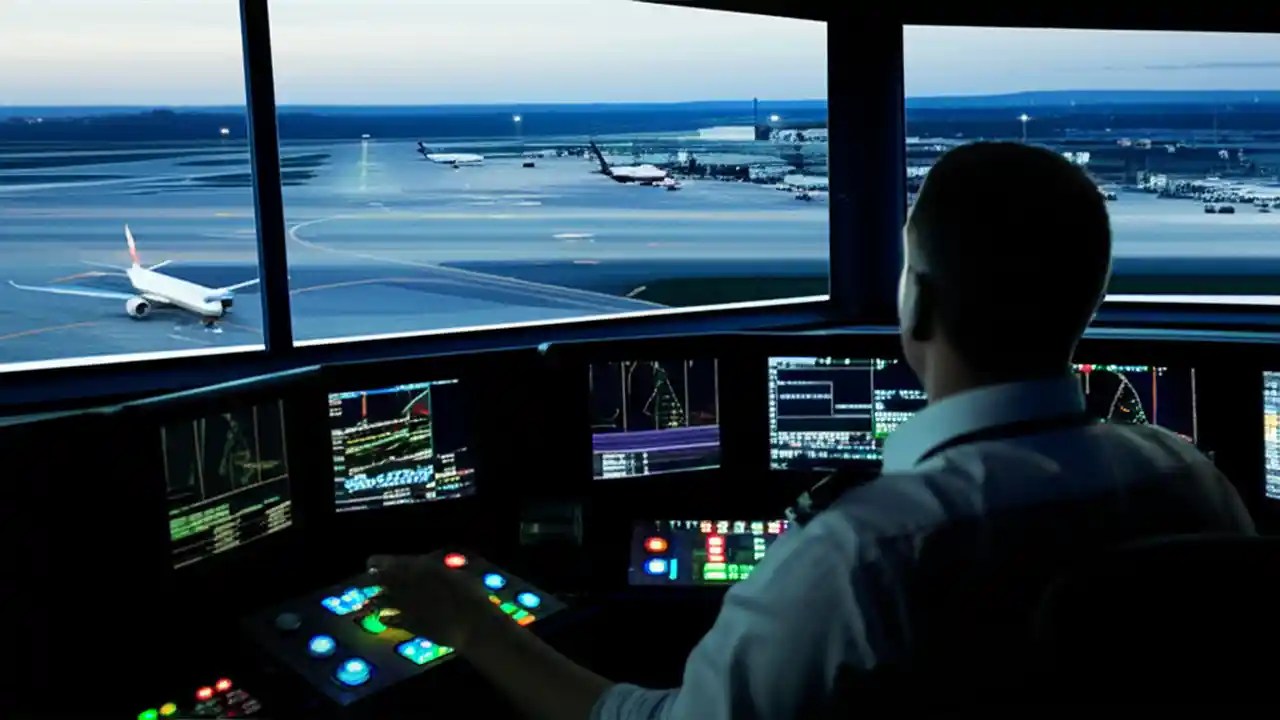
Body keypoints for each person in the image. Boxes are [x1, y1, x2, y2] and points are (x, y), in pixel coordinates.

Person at [369, 142, 1254, 719]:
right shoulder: (1190, 480)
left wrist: (475, 627)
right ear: (1090, 305)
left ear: (917, 300)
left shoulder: (864, 554)